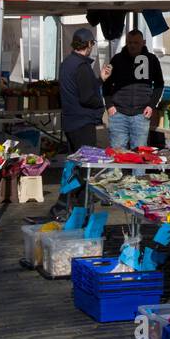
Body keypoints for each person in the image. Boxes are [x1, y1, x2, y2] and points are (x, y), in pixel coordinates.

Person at [50, 27, 112, 220]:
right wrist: (100, 104)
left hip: (70, 121)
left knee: (76, 164)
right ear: (89, 44)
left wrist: (100, 80)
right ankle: (69, 206)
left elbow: (81, 89)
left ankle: (69, 205)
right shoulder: (81, 66)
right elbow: (87, 97)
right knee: (84, 167)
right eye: (93, 44)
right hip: (82, 122)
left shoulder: (67, 63)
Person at [104, 28, 164, 151]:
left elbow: (159, 84)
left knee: (140, 154)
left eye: (136, 43)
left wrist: (151, 105)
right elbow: (106, 83)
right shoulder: (117, 59)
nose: (132, 45)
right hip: (118, 114)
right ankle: (118, 171)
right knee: (117, 155)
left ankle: (138, 171)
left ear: (143, 43)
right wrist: (109, 105)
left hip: (141, 115)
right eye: (129, 42)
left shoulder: (152, 60)